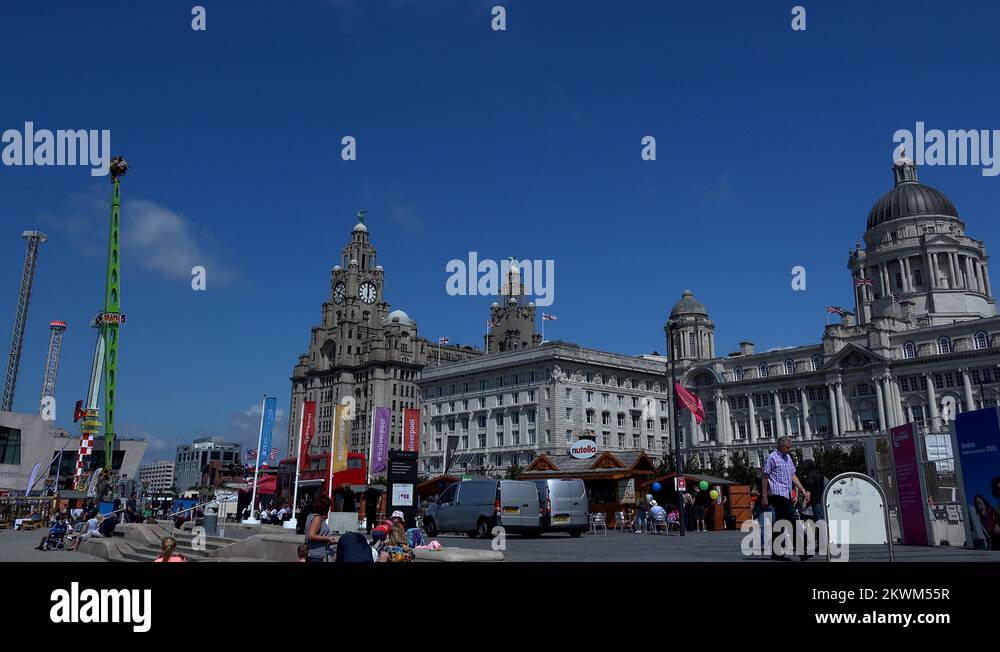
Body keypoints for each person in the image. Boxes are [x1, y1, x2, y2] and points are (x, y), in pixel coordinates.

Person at [762, 436, 810, 561]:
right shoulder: (771, 457)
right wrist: (764, 497)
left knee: (780, 523)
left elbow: (793, 475)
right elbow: (764, 478)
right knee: (791, 520)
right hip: (777, 494)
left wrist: (803, 490)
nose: (790, 449)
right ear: (781, 446)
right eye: (788, 447)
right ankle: (801, 550)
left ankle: (775, 552)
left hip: (787, 493)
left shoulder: (787, 457)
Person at [304, 495, 336, 562]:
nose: (329, 509)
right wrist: (328, 538)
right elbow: (311, 535)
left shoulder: (311, 516)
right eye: (328, 507)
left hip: (312, 554)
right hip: (315, 555)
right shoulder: (317, 518)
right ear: (324, 507)